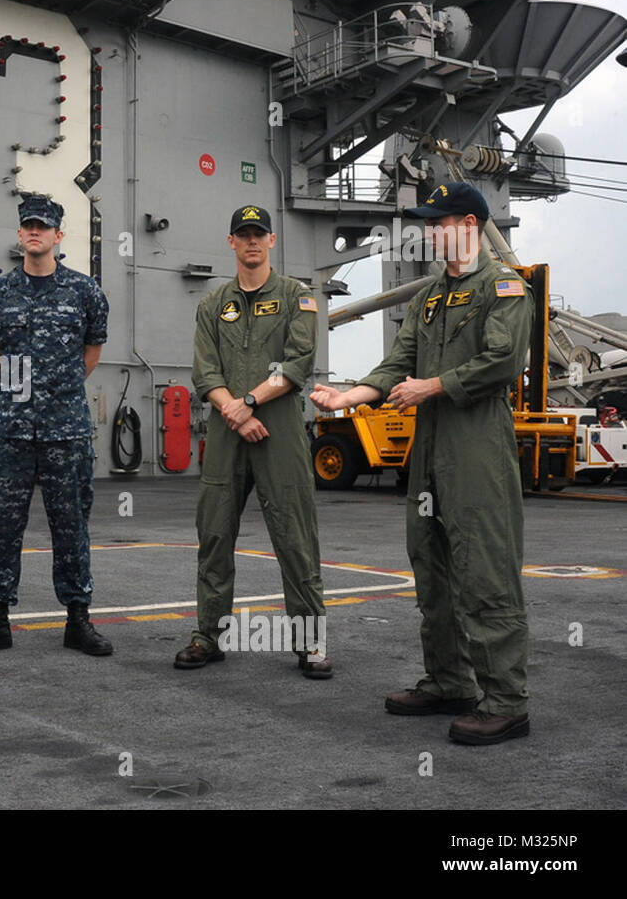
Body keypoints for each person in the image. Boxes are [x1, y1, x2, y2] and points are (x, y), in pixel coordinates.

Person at [311, 181, 532, 745]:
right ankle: (449, 681)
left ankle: (506, 701)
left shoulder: (503, 288)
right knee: (432, 570)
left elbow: (503, 361)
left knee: (484, 573)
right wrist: (349, 396)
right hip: (428, 453)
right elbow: (397, 364)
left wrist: (434, 386)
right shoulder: (431, 296)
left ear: (469, 224)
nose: (430, 231)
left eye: (438, 222)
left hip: (476, 449)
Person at [175, 205, 331, 678]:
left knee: (294, 534)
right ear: (231, 243)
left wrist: (248, 401)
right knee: (215, 533)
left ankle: (310, 641)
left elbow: (298, 362)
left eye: (259, 234)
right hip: (229, 431)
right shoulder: (211, 304)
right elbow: (205, 371)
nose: (251, 242)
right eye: (243, 235)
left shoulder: (296, 297)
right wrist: (235, 411)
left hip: (278, 429)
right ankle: (208, 634)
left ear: (271, 240)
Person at [0, 194, 112, 657]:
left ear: (59, 235)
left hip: (67, 429)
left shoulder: (85, 292)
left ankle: (78, 620)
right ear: (20, 234)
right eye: (28, 226)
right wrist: (22, 386)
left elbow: (92, 351)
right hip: (11, 431)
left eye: (44, 226)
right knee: (2, 526)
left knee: (71, 525)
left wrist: (56, 388)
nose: (35, 232)